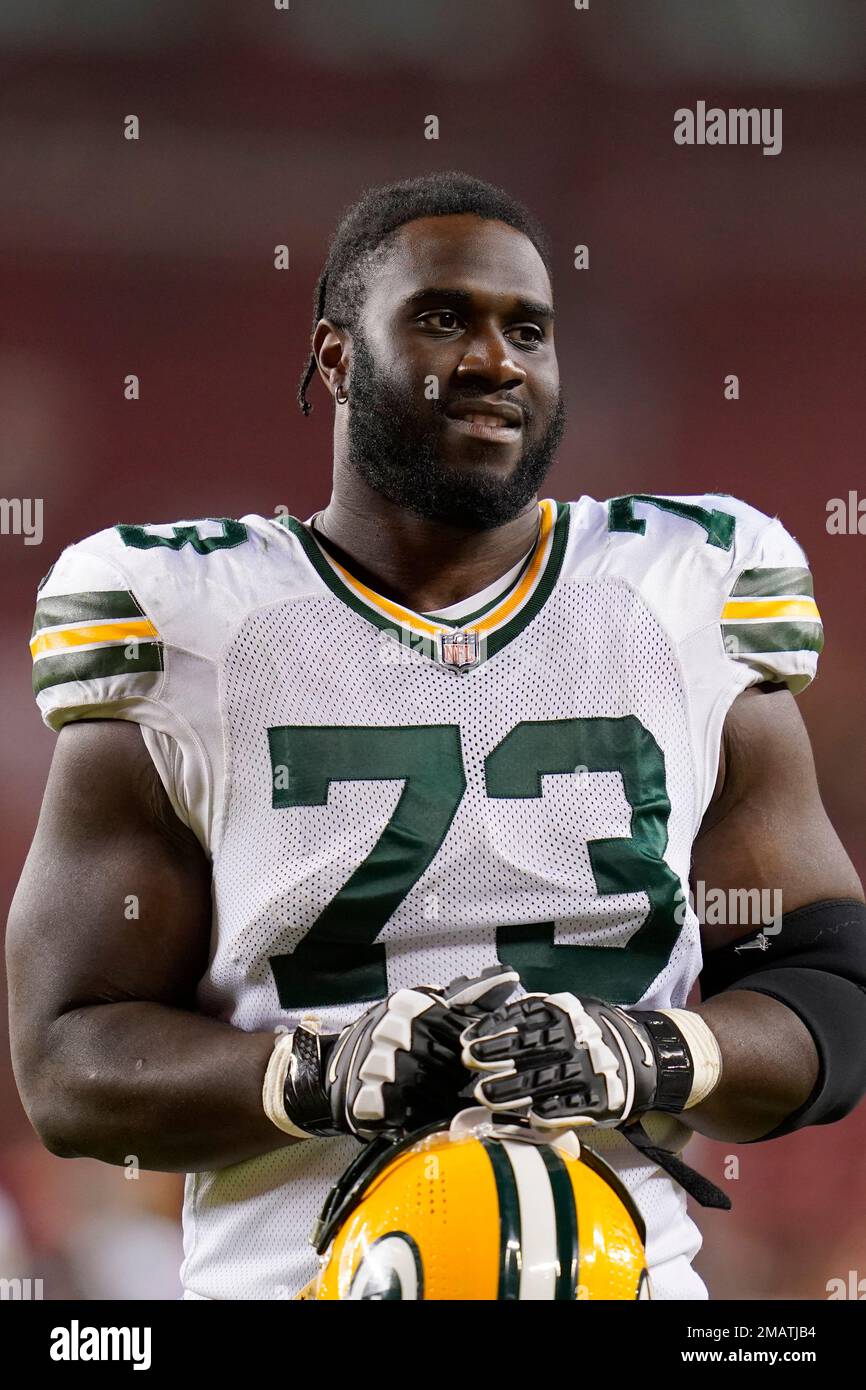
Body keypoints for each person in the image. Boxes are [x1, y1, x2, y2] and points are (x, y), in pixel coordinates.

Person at [8, 171, 865, 1301]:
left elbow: (828, 992)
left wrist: (645, 1052)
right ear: (335, 360)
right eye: (442, 318)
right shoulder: (186, 615)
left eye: (528, 329)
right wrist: (315, 1072)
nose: (494, 359)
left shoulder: (683, 592)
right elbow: (67, 1061)